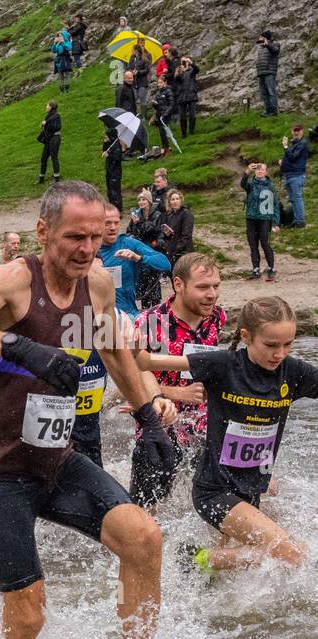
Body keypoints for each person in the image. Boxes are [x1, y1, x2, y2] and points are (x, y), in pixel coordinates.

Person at [0, 181, 174, 639]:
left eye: (94, 238)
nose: (86, 249)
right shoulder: (13, 281)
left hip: (57, 460)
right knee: (28, 622)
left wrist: (149, 418)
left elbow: (113, 351)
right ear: (43, 232)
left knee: (143, 538)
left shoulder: (98, 285)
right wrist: (20, 348)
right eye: (73, 238)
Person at [136, 297, 313, 573]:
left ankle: (200, 562)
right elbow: (145, 362)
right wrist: (126, 343)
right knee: (291, 553)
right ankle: (196, 560)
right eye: (271, 345)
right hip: (214, 490)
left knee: (241, 569)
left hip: (251, 490)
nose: (280, 353)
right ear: (246, 336)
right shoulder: (223, 364)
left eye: (287, 344)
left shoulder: (293, 372)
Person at [128, 252, 228, 509]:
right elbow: (131, 376)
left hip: (204, 427)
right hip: (160, 427)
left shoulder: (216, 317)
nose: (212, 295)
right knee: (148, 507)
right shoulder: (151, 322)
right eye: (203, 287)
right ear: (178, 285)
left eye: (216, 286)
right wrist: (175, 393)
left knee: (207, 504)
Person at [80, 206, 171, 468]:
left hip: (127, 316)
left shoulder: (128, 242)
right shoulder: (90, 250)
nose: (111, 227)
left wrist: (138, 258)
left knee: (135, 367)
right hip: (93, 319)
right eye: (105, 223)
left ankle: (134, 410)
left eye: (115, 222)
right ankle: (98, 408)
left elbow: (165, 264)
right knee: (94, 372)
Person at [242, 162, 281, 281]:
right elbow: (242, 183)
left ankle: (271, 268)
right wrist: (247, 171)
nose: (259, 171)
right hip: (251, 219)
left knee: (265, 243)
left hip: (265, 219)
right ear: (255, 171)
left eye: (262, 169)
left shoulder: (270, 187)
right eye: (257, 169)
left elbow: (275, 205)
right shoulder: (250, 185)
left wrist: (275, 223)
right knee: (253, 245)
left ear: (266, 172)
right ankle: (256, 269)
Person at [126, 189, 164, 309]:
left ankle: (157, 310)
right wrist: (130, 238)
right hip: (139, 251)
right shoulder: (136, 216)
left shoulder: (156, 215)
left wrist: (139, 223)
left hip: (152, 250)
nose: (141, 202)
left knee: (154, 281)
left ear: (149, 201)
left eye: (143, 199)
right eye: (139, 200)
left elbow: (150, 230)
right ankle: (146, 309)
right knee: (142, 281)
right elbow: (129, 230)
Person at [280, 122, 309, 229]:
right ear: (292, 131)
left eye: (298, 130)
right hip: (290, 175)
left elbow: (293, 157)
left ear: (302, 131)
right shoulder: (295, 143)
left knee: (297, 198)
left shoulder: (302, 143)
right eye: (294, 130)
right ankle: (296, 220)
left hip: (296, 175)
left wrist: (286, 146)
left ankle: (300, 221)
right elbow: (291, 158)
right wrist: (283, 162)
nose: (296, 132)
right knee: (293, 198)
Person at [158, 190, 194, 273]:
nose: (175, 201)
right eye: (172, 199)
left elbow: (186, 236)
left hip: (184, 252)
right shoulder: (170, 215)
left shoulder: (187, 214)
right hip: (172, 251)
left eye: (177, 199)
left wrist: (174, 250)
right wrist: (167, 234)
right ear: (169, 202)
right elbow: (170, 235)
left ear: (181, 200)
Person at [172, 55, 199, 137]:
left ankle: (191, 132)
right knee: (182, 116)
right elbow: (176, 80)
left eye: (185, 61)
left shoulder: (192, 70)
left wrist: (191, 63)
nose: (184, 63)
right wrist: (178, 72)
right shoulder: (180, 71)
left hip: (191, 94)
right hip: (181, 95)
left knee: (192, 114)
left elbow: (197, 70)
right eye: (182, 61)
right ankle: (184, 134)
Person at [256, 31, 280, 117]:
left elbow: (275, 52)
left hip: (269, 72)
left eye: (261, 37)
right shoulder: (261, 47)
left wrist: (268, 45)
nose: (259, 39)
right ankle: (268, 111)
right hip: (261, 73)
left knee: (271, 92)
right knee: (264, 93)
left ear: (265, 38)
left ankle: (273, 112)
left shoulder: (275, 44)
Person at [150, 75, 176, 156]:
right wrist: (154, 104)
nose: (159, 84)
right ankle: (165, 147)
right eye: (158, 83)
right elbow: (158, 106)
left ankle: (167, 149)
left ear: (165, 83)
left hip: (166, 115)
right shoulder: (158, 92)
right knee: (161, 132)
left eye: (161, 83)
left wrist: (166, 114)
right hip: (159, 115)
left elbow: (171, 104)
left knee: (164, 131)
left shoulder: (169, 91)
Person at [37, 101, 62, 184]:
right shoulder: (48, 116)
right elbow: (47, 128)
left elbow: (57, 127)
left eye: (47, 105)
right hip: (48, 139)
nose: (46, 107)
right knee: (43, 158)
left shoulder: (56, 115)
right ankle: (41, 179)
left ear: (51, 107)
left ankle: (56, 179)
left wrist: (46, 123)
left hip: (55, 138)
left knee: (54, 158)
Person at [103, 127, 125, 211]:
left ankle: (118, 208)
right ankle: (112, 206)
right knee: (110, 190)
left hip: (115, 172)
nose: (105, 137)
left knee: (115, 191)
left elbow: (118, 158)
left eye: (106, 136)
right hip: (109, 170)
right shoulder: (110, 144)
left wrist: (109, 155)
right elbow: (104, 150)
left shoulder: (116, 146)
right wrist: (105, 144)